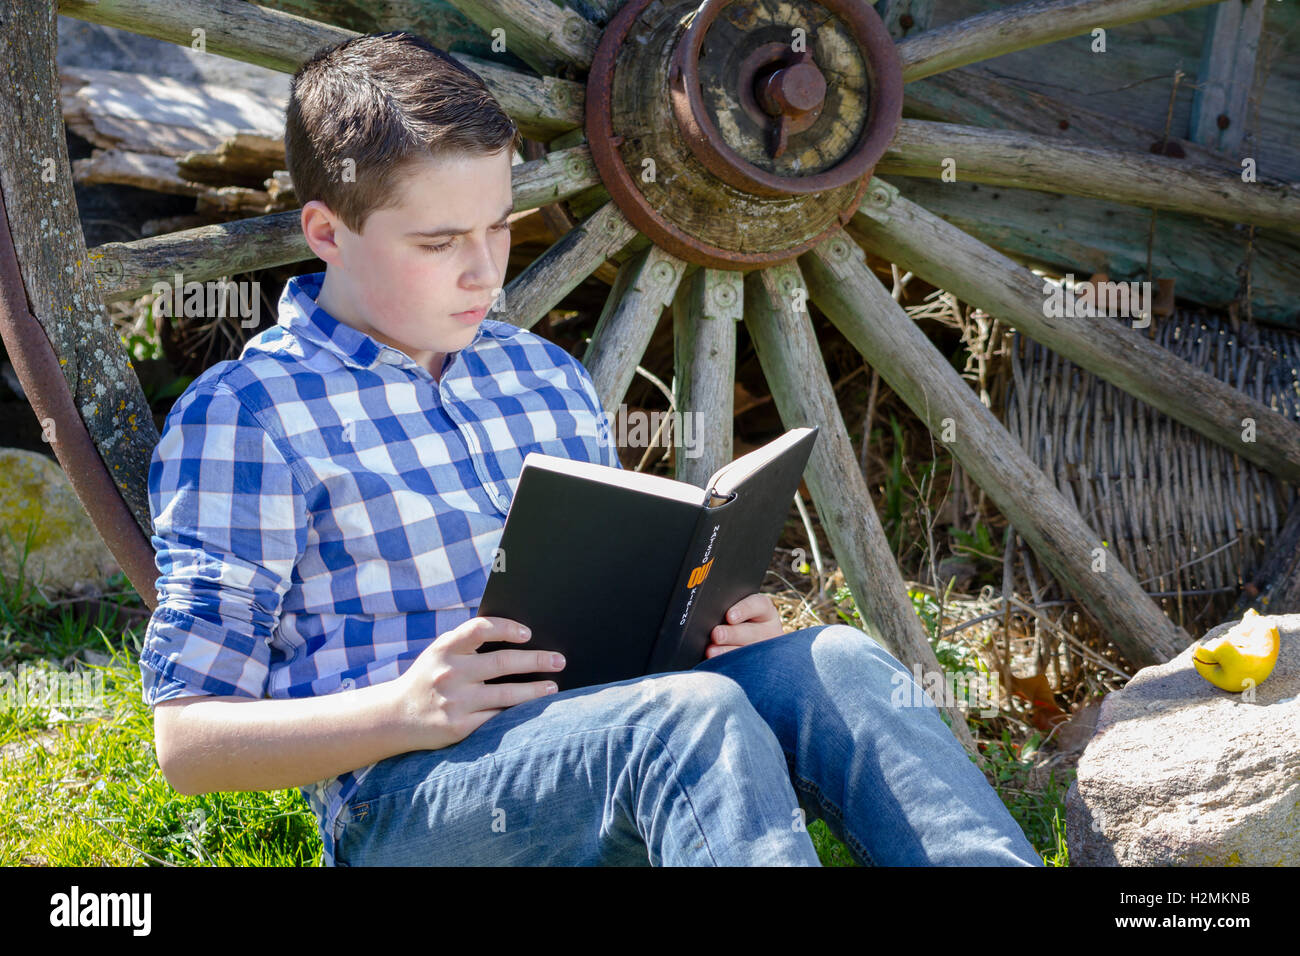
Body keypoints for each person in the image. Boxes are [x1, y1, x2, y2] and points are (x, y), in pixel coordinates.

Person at [140, 30, 1042, 867]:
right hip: (407, 795)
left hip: (605, 725)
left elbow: (608, 622)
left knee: (835, 663)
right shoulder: (250, 417)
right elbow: (189, 747)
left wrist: (700, 634)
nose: (485, 271)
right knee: (683, 721)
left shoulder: (540, 377)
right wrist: (403, 709)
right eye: (438, 242)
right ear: (328, 233)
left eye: (498, 226)